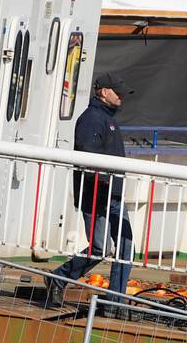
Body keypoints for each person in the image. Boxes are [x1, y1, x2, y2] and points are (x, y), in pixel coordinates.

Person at [44, 73, 136, 312]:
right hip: (96, 193)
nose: (122, 96)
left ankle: (115, 304)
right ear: (103, 92)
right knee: (101, 249)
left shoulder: (108, 119)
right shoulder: (92, 118)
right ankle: (59, 278)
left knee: (125, 247)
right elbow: (87, 153)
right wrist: (105, 181)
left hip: (113, 194)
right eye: (118, 91)